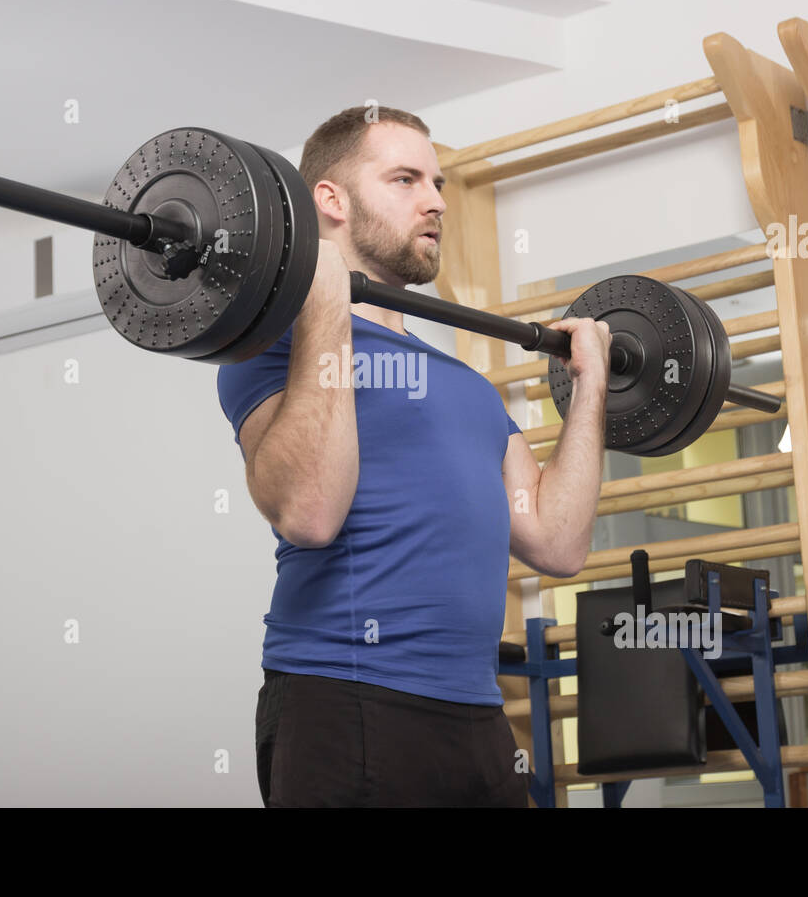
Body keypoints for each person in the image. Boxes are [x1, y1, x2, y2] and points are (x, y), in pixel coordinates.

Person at [216, 106, 611, 807]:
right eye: (405, 179)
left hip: (477, 715)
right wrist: (323, 307)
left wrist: (590, 389)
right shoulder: (273, 348)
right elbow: (308, 513)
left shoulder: (467, 387)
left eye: (437, 183)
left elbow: (557, 539)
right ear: (328, 201)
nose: (434, 202)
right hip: (345, 700)